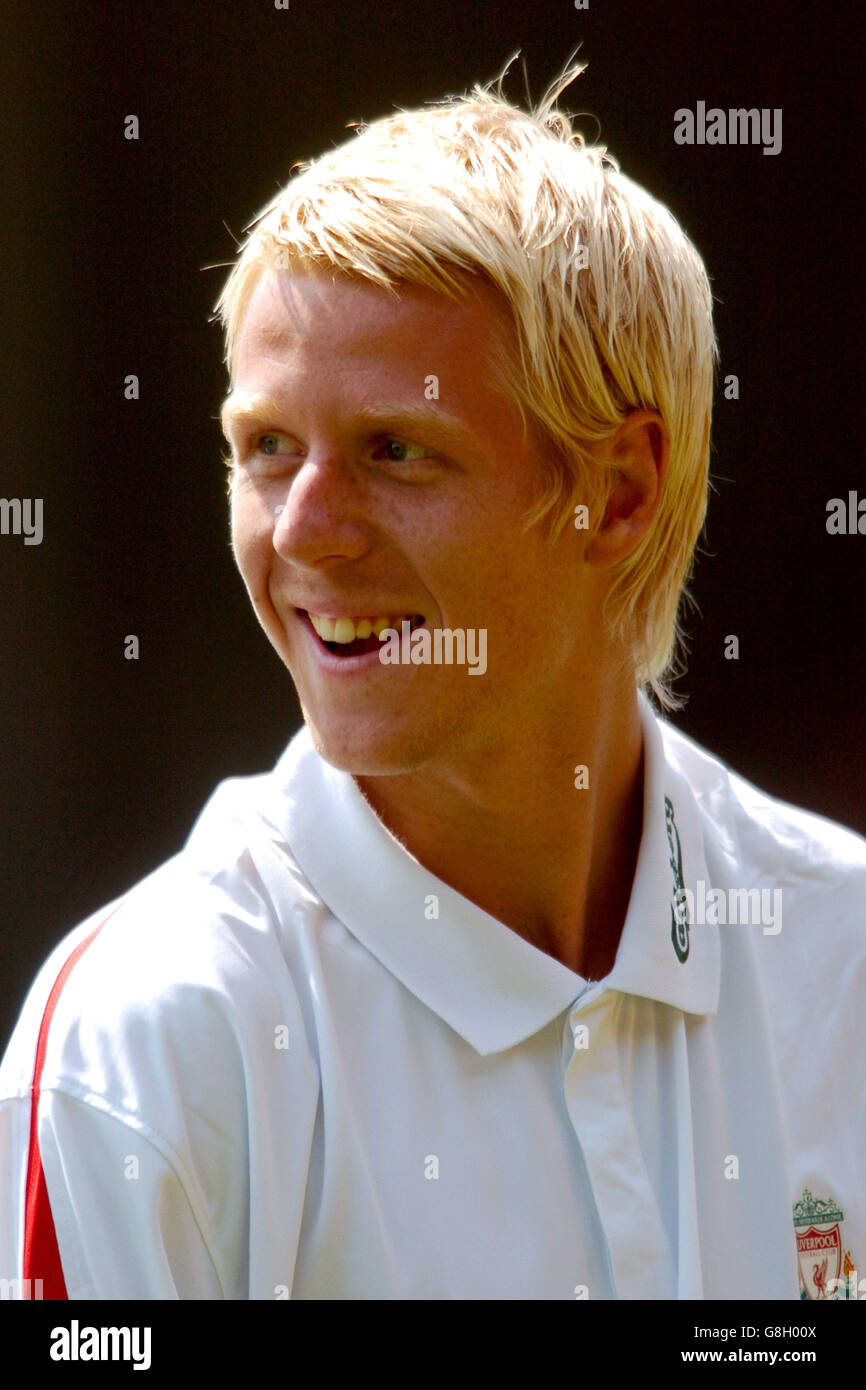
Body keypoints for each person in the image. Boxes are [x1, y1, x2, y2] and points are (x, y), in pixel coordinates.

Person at [2, 60, 864, 1302]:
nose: (304, 531)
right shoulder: (140, 1046)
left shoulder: (836, 955)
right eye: (265, 449)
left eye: (395, 451)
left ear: (616, 492)